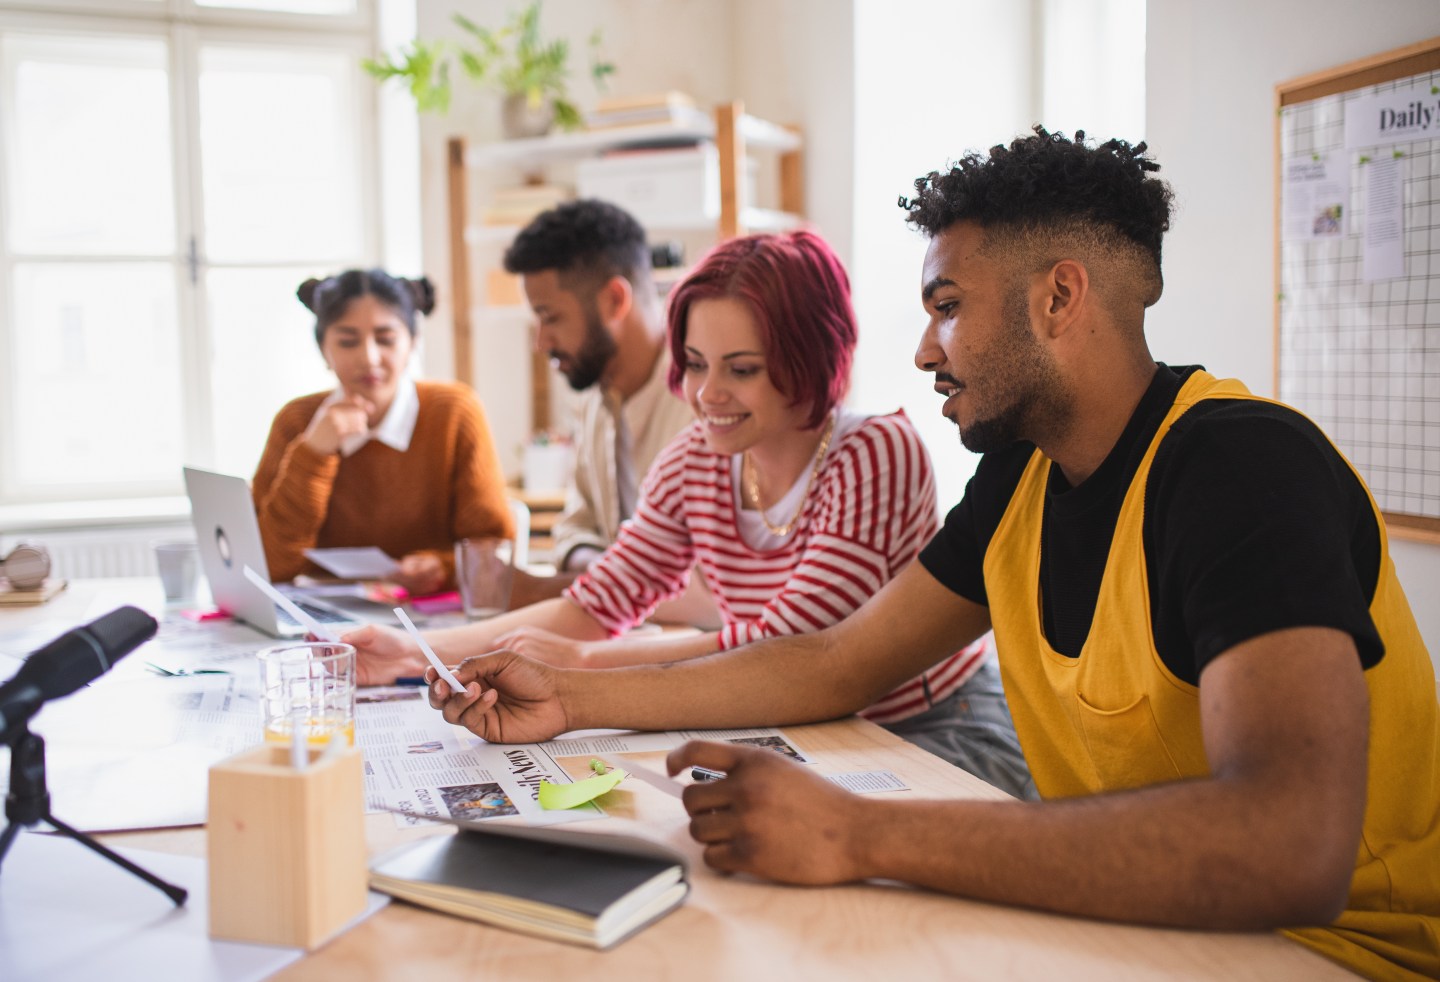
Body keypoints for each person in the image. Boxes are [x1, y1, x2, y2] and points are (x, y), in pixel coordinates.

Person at [417, 129, 1439, 981]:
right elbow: (832, 661)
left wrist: (863, 834)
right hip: (1156, 929)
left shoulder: (1241, 465)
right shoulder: (1022, 477)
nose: (921, 348)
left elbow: (1289, 846)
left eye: (947, 306)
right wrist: (571, 696)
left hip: (1335, 953)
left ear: (1059, 298)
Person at [349, 229, 1029, 798]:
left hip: (937, 723)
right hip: (806, 724)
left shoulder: (877, 448)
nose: (706, 394)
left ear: (811, 356)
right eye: (697, 363)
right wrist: (415, 652)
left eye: (742, 369)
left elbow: (792, 640)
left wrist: (587, 663)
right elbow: (598, 599)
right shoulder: (696, 458)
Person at [500, 200, 708, 622]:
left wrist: (584, 585)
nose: (541, 342)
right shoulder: (596, 399)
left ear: (615, 300)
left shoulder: (707, 403)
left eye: (550, 317)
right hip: (618, 638)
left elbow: (709, 593)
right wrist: (594, 569)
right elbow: (576, 526)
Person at [253, 268, 514, 596]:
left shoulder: (454, 411)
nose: (369, 357)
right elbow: (270, 566)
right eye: (348, 341)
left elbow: (491, 552)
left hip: (429, 620)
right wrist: (313, 453)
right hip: (323, 626)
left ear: (412, 344)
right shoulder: (295, 421)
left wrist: (442, 566)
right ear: (323, 350)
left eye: (386, 339)